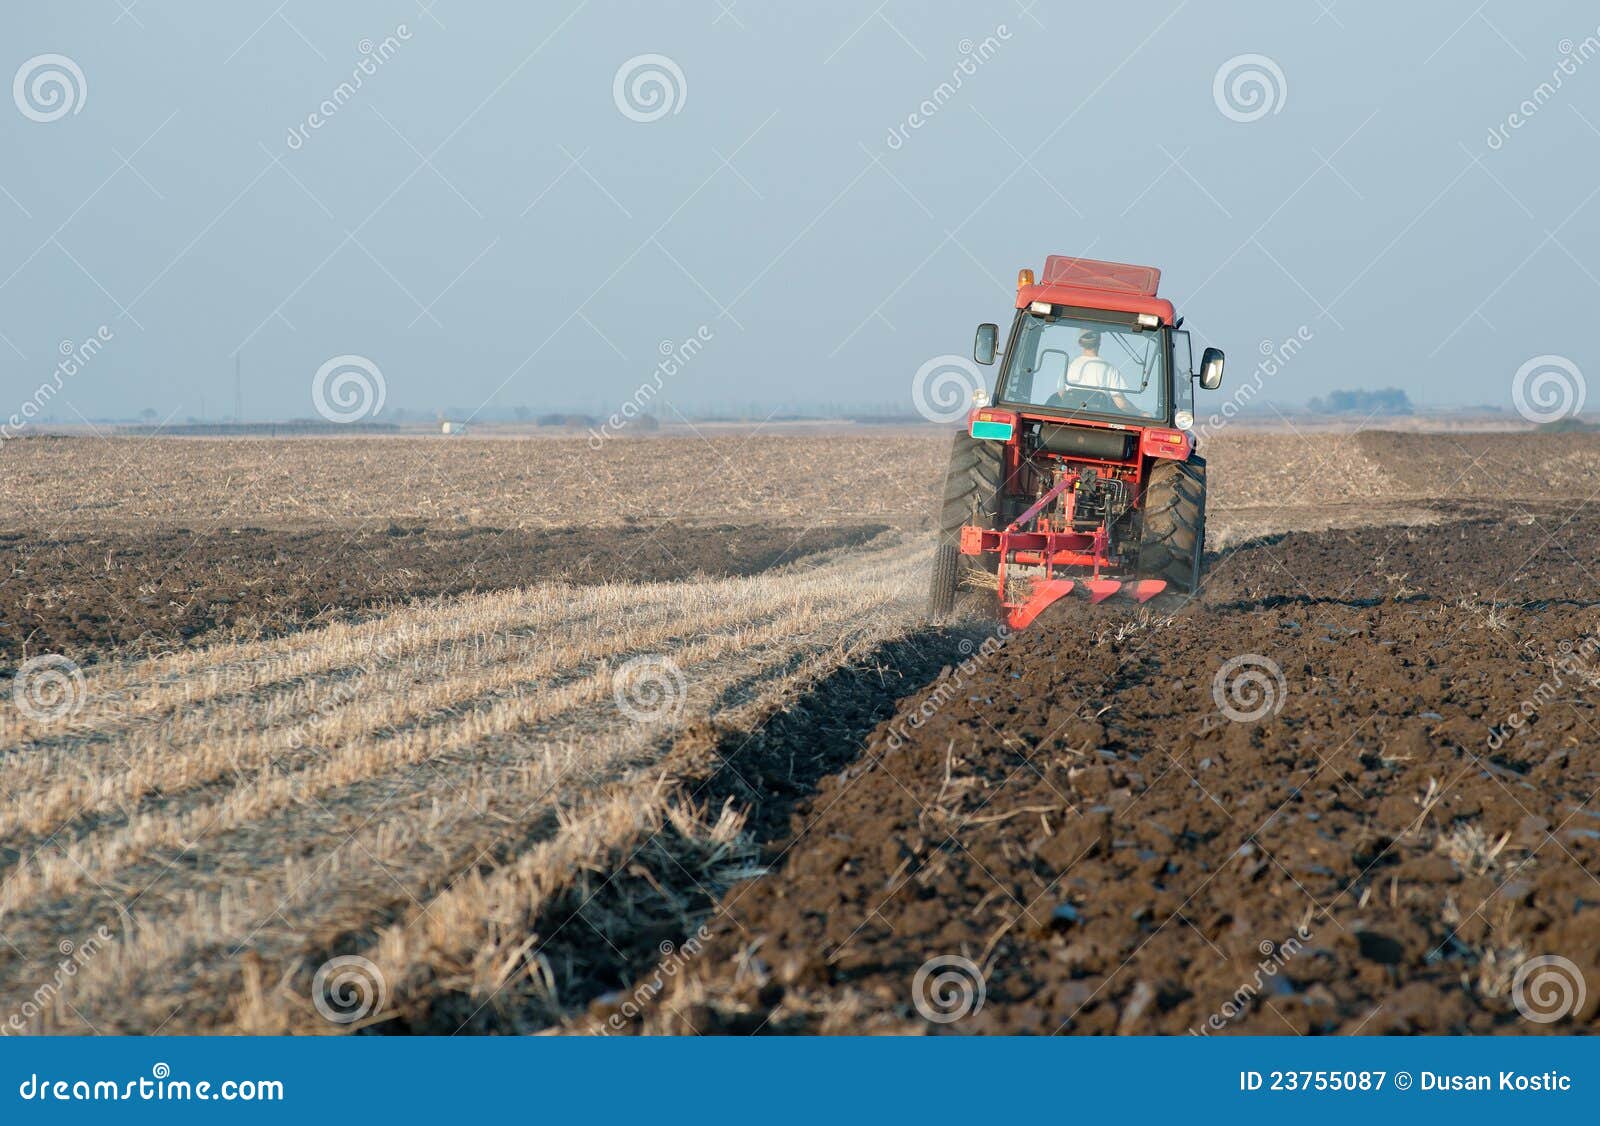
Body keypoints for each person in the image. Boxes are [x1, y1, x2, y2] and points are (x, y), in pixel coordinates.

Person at [1064, 330, 1133, 410]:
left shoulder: (1069, 365)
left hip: (1069, 414)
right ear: (1099, 341)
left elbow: (1061, 393)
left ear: (1080, 343)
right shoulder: (1110, 369)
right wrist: (1140, 413)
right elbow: (1122, 405)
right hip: (1099, 416)